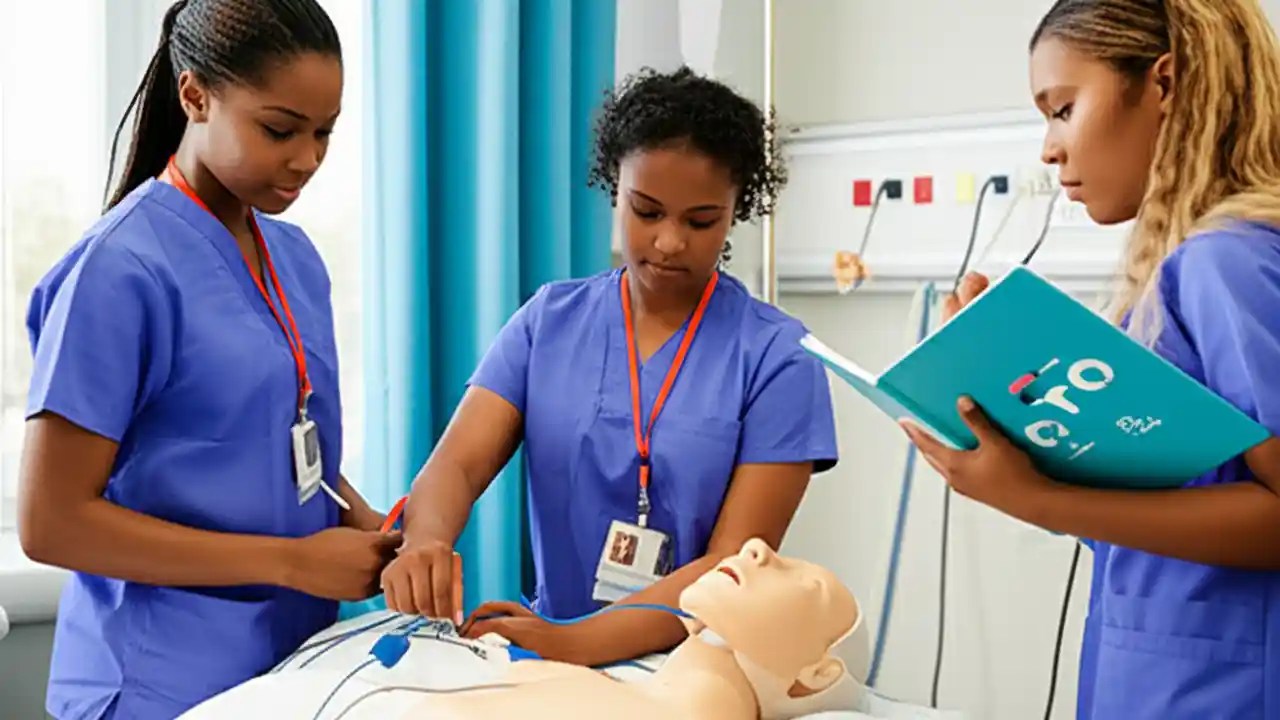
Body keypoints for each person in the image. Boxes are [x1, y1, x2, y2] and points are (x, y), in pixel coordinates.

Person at [379, 66, 840, 667]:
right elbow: (458, 464)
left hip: (699, 665)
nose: (670, 241)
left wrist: (575, 642)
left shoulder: (779, 359)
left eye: (700, 221)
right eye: (647, 212)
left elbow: (731, 568)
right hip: (550, 653)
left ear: (736, 211)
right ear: (614, 189)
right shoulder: (549, 322)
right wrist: (426, 540)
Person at [902, 1, 1280, 717]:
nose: (1049, 148)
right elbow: (1165, 489)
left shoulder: (1224, 264)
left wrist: (1037, 498)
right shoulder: (1182, 272)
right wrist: (1010, 412)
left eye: (1063, 108)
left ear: (1163, 84)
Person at [17, 1, 395, 717]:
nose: (306, 160)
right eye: (279, 130)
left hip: (283, 672)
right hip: (154, 685)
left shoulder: (295, 258)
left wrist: (365, 523)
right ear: (195, 96)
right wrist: (293, 561)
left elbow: (270, 437)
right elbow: (51, 522)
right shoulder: (119, 271)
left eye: (324, 134)